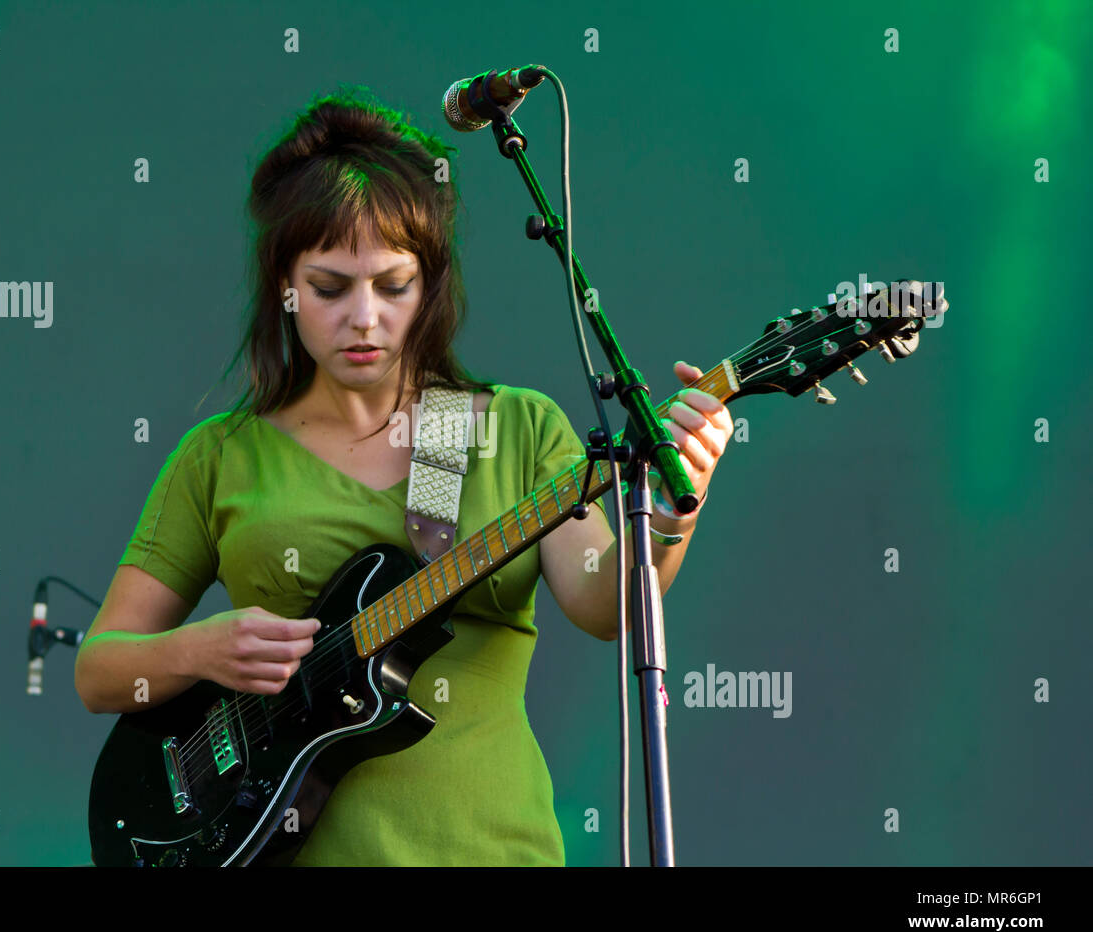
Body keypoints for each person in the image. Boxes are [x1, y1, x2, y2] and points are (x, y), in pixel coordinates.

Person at [74, 87, 734, 865]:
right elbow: (102, 669)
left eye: (393, 286)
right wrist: (200, 651)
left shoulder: (514, 427)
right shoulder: (220, 456)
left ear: (431, 287)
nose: (364, 318)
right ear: (284, 288)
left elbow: (605, 604)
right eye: (329, 287)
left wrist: (670, 511)